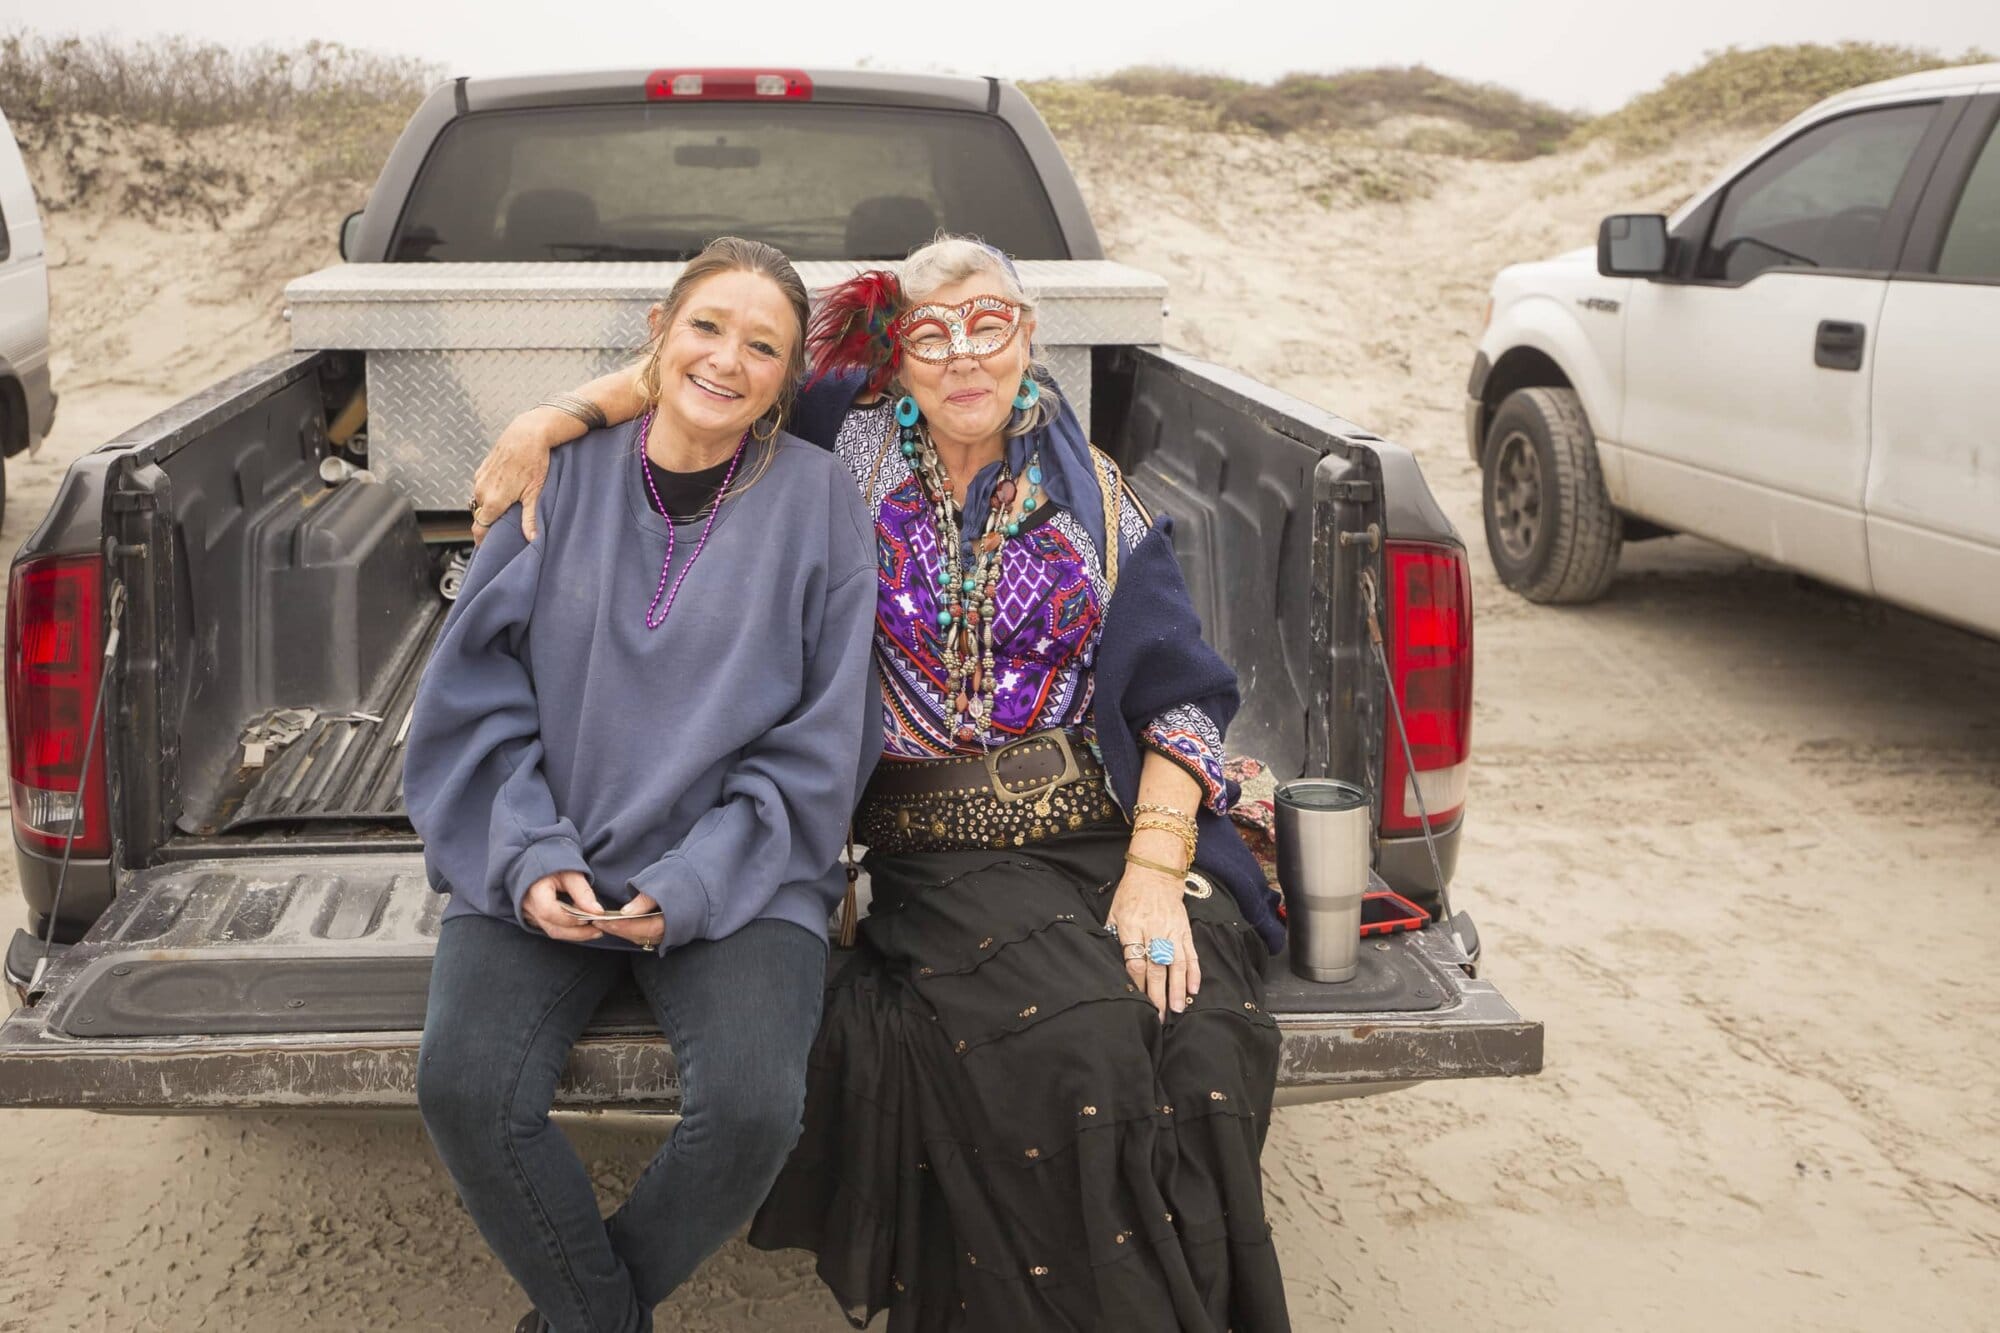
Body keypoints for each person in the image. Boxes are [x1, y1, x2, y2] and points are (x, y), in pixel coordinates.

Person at [472, 235, 1292, 1332]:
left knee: (1206, 1040)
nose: (963, 357)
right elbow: (710, 373)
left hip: (1098, 823)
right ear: (890, 356)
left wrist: (1153, 870)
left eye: (989, 325)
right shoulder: (835, 447)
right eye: (930, 333)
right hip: (936, 841)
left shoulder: (1099, 495)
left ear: (1027, 336)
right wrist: (554, 419)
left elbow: (1178, 695)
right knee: (1075, 1044)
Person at [402, 236, 881, 1333]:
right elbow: (473, 703)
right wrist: (525, 858)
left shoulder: (819, 505)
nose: (727, 358)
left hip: (741, 870)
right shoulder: (556, 476)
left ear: (785, 380)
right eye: (706, 326)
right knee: (467, 1088)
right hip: (545, 850)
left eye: (763, 346)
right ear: (656, 338)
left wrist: (703, 879)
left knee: (756, 1109)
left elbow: (824, 740)